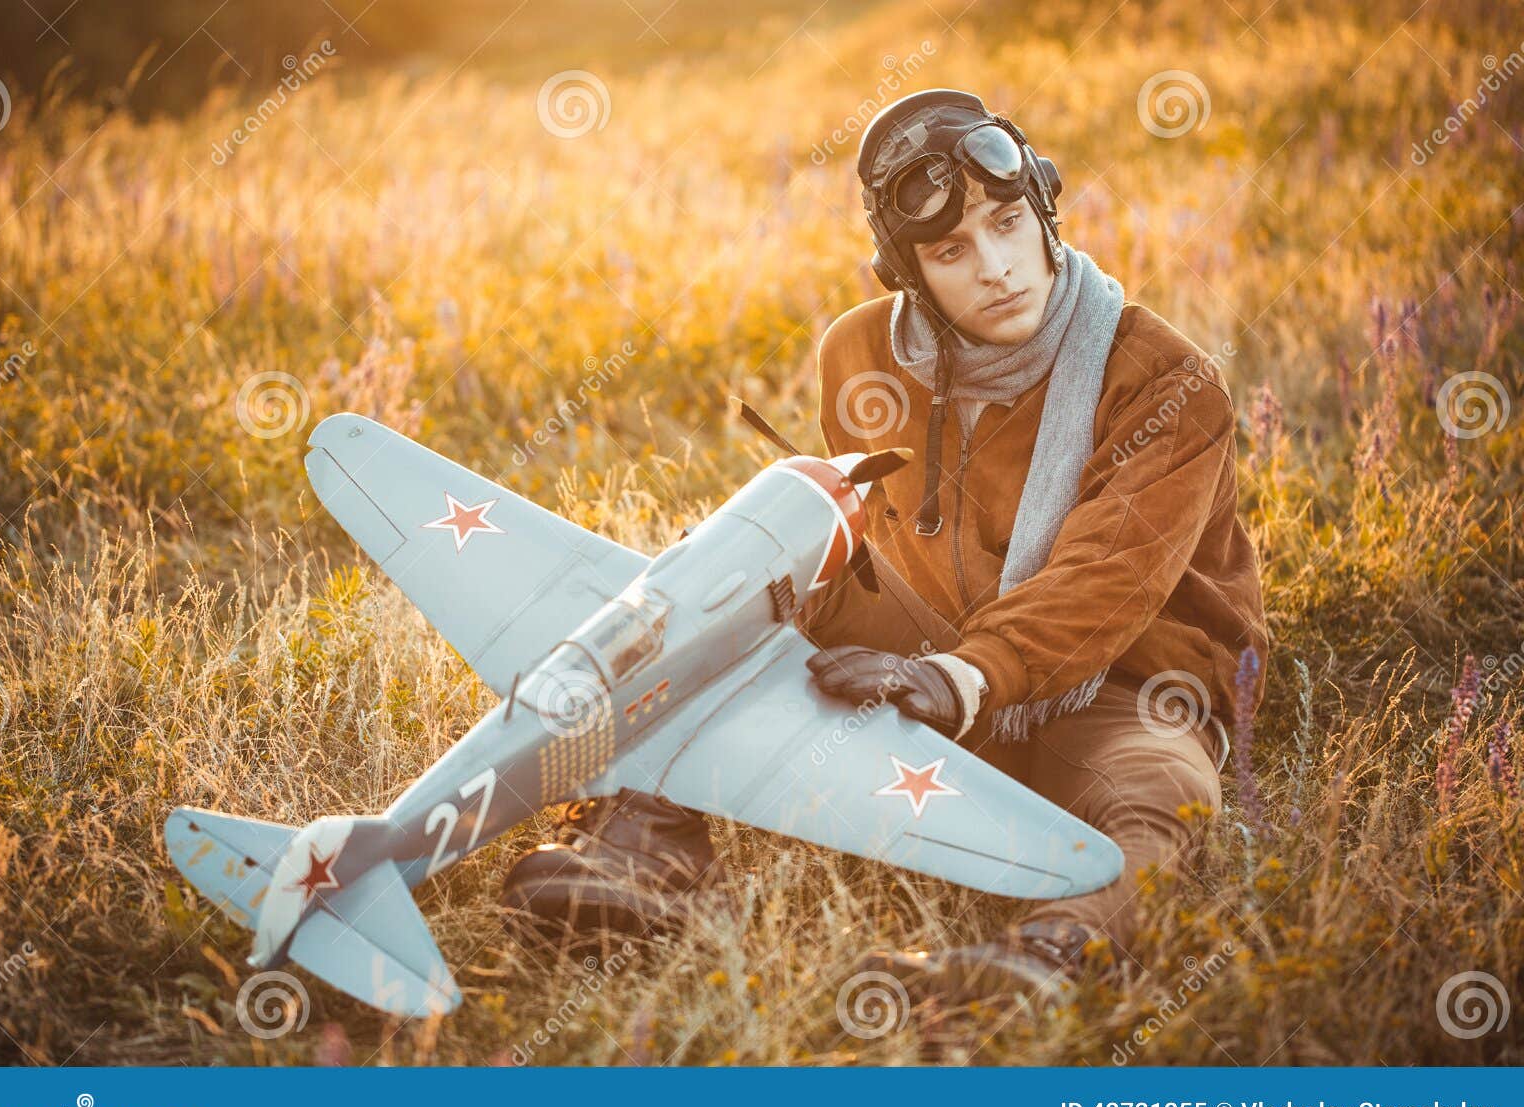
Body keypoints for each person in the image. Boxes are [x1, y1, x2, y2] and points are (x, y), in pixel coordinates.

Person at [500, 88, 1267, 1003]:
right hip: (928, 655)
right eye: (951, 251)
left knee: (1162, 794)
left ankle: (1044, 961)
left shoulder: (1166, 378)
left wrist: (964, 676)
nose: (996, 268)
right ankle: (641, 844)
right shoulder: (860, 353)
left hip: (1120, 680)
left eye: (1008, 223)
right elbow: (856, 533)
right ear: (908, 271)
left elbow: (1109, 578)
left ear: (1044, 209)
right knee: (753, 565)